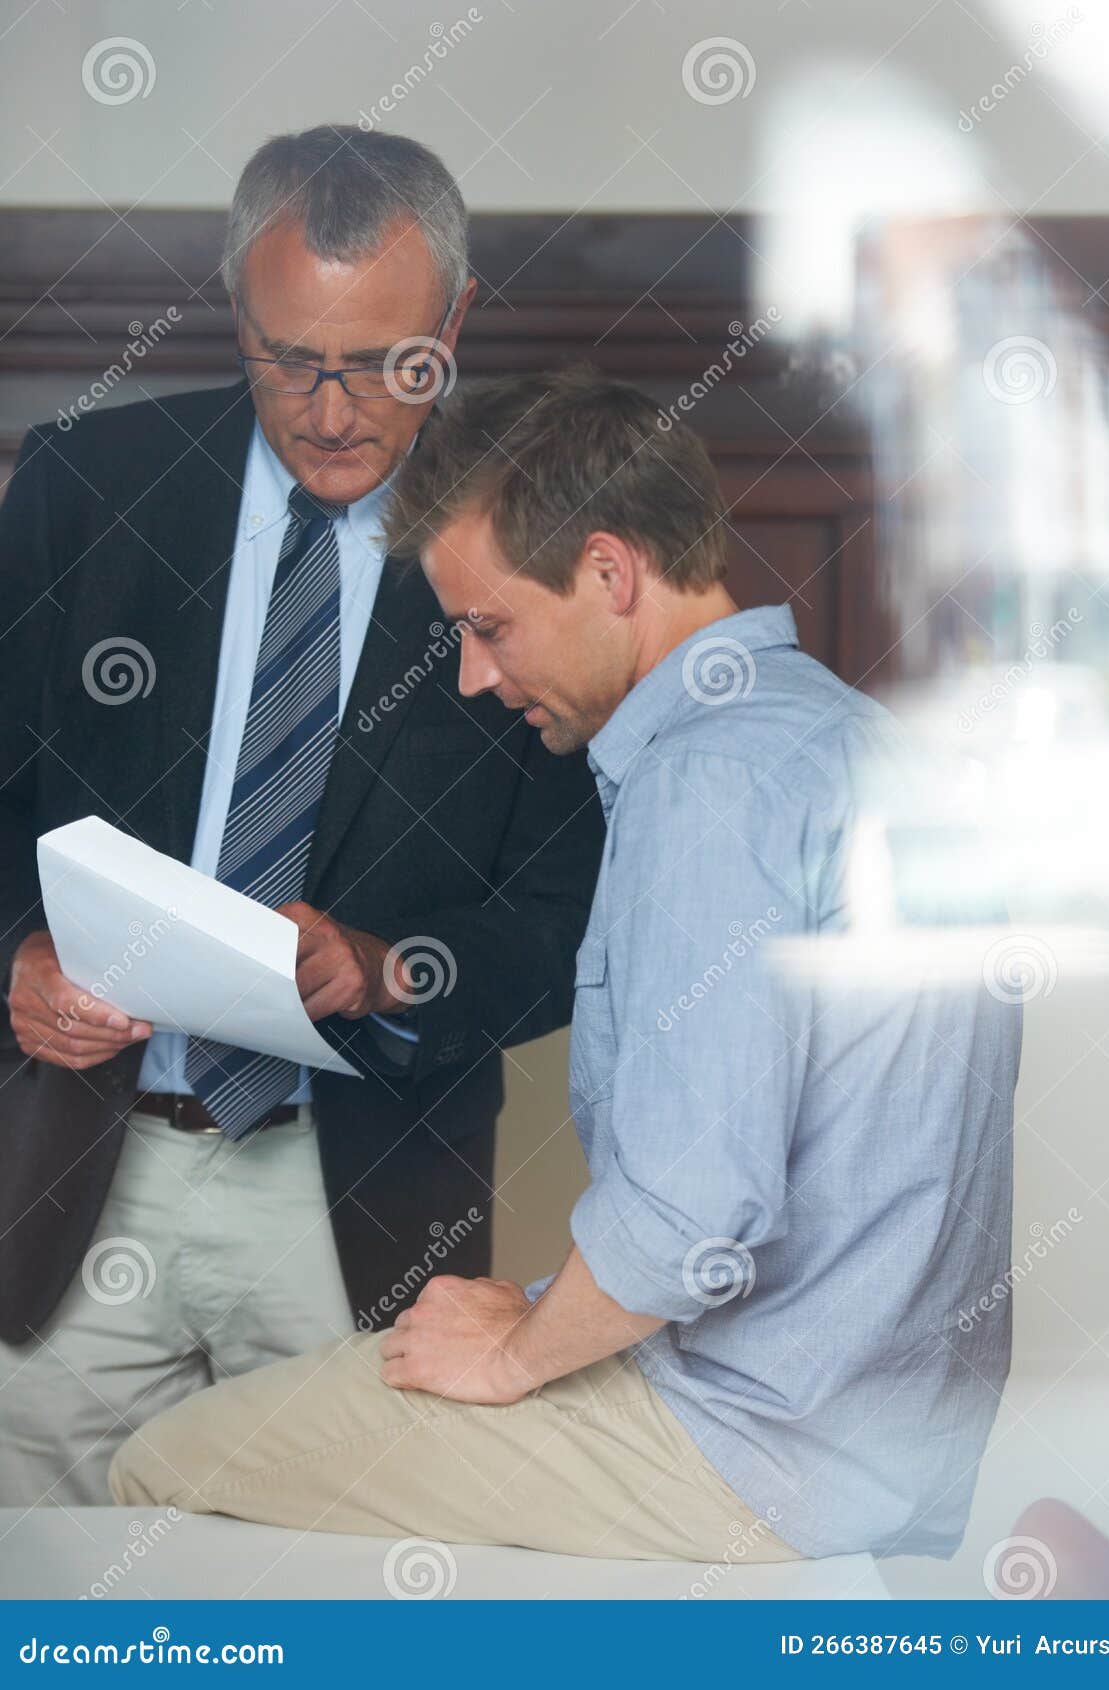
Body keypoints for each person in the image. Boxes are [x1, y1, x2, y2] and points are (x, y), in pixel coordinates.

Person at [110, 369, 1022, 1564]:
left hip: (747, 1450)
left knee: (159, 1468)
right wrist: (544, 1305)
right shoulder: (854, 739)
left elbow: (695, 1215)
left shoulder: (707, 784)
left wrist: (518, 1350)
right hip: (886, 1441)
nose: (475, 680)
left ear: (609, 572)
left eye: (489, 628)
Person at [0, 133, 602, 1506]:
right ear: (238, 315)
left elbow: (572, 912)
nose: (332, 412)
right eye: (291, 360)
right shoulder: (88, 488)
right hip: (84, 1166)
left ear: (451, 324)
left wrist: (390, 968)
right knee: (52, 1601)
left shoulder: (534, 544)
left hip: (362, 1193)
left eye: (385, 365)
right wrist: (15, 960)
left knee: (341, 1604)